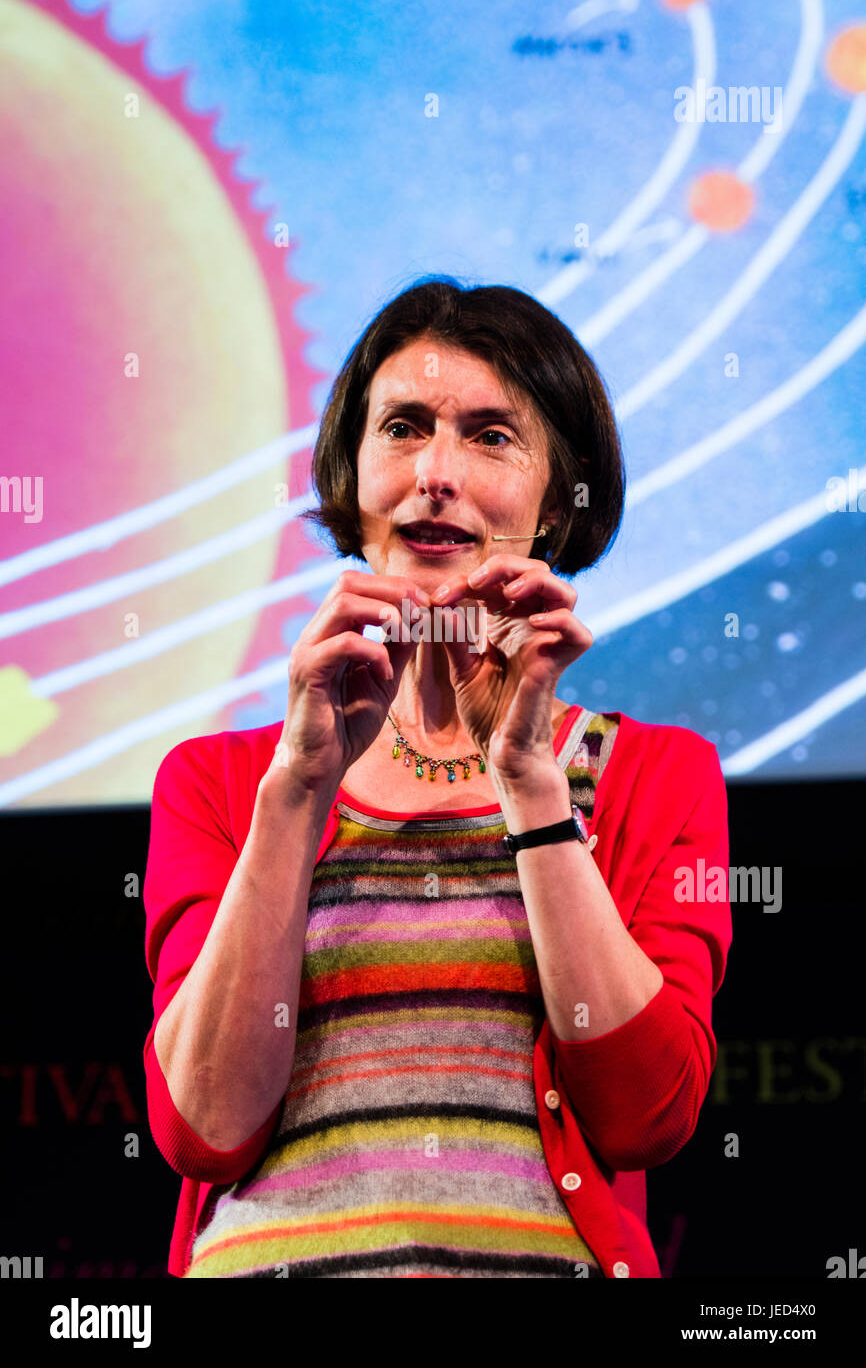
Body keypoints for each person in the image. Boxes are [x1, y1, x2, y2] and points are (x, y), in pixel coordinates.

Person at [142, 276, 731, 1278]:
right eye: (403, 427)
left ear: (556, 502)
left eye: (491, 436)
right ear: (349, 474)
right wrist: (299, 787)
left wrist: (531, 781)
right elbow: (203, 1127)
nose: (436, 473)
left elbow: (648, 1116)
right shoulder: (221, 778)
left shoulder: (655, 773)